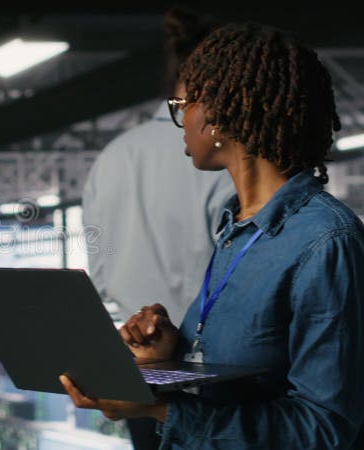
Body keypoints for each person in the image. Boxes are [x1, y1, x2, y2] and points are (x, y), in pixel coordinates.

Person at [63, 22, 364, 449]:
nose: (181, 119)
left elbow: (325, 429)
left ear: (222, 115)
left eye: (185, 105)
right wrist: (170, 356)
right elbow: (236, 380)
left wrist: (160, 410)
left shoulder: (324, 242)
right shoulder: (235, 228)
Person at [80, 8, 234, 449]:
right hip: (212, 378)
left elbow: (102, 275)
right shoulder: (220, 156)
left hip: (141, 371)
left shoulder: (111, 157)